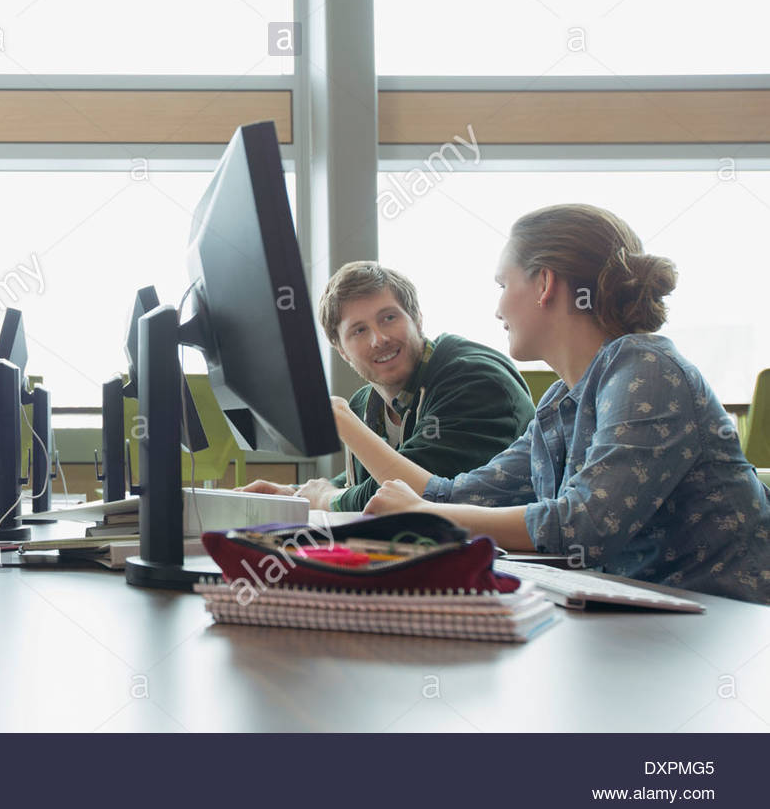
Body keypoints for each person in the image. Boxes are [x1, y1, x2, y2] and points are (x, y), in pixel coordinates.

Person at [350, 204, 770, 604]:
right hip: (640, 624)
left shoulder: (649, 370)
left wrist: (429, 516)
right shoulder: (561, 404)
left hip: (722, 626)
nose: (497, 308)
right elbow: (458, 496)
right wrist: (347, 427)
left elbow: (584, 526)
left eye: (502, 285)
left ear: (544, 284)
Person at [240, 261, 534, 511]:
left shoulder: (474, 380)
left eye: (389, 318)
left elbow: (411, 491)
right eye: (359, 330)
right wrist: (296, 494)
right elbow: (371, 478)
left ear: (417, 319)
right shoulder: (364, 403)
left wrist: (327, 499)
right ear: (342, 350)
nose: (378, 339)